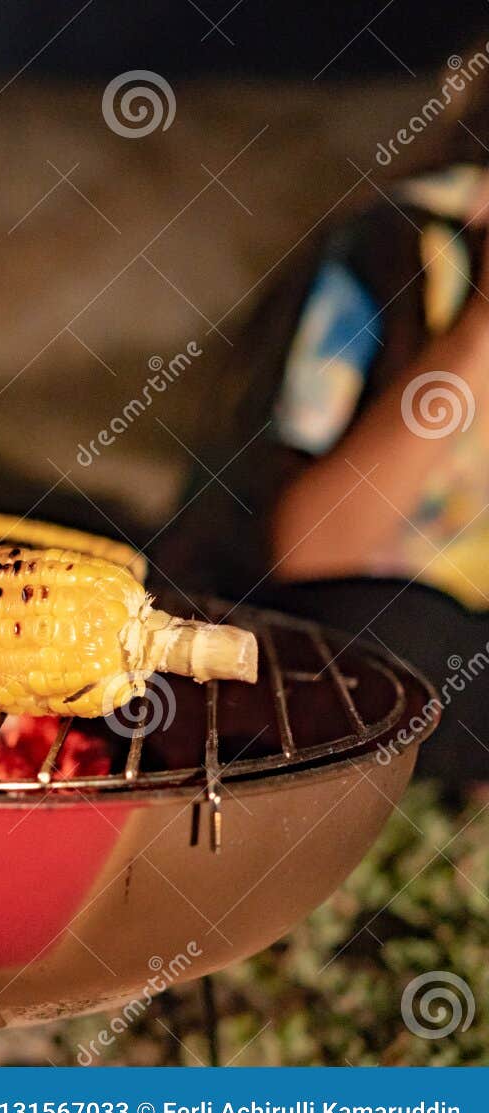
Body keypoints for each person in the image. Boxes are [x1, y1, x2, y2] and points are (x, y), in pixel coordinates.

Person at [158, 57, 489, 798]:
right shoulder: (399, 252)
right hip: (306, 631)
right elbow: (310, 547)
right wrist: (481, 329)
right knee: (404, 641)